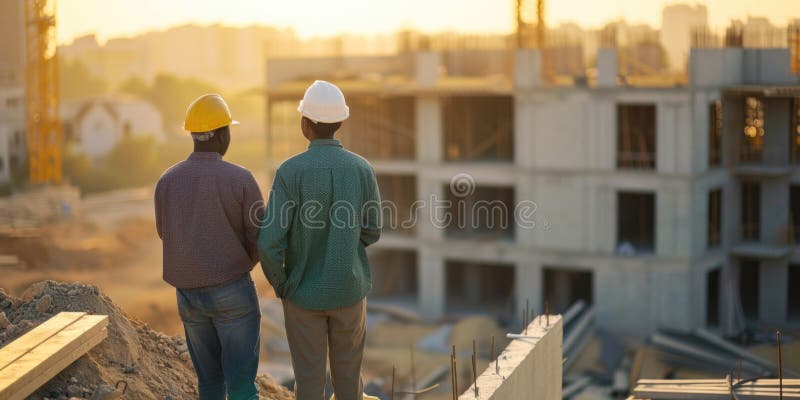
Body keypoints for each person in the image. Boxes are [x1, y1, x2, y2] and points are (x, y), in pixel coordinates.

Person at [258, 80, 381, 400]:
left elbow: (269, 243)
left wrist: (283, 284)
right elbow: (373, 229)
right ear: (340, 122)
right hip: (350, 292)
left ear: (304, 124)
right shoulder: (361, 169)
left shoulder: (289, 172)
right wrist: (346, 247)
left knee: (309, 383)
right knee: (349, 382)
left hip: (302, 295)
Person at [155, 94, 263, 400]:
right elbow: (259, 237)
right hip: (233, 290)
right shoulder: (241, 179)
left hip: (187, 295)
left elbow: (166, 233)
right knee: (242, 386)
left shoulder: (167, 180)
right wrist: (241, 261)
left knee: (210, 385)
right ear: (221, 134)